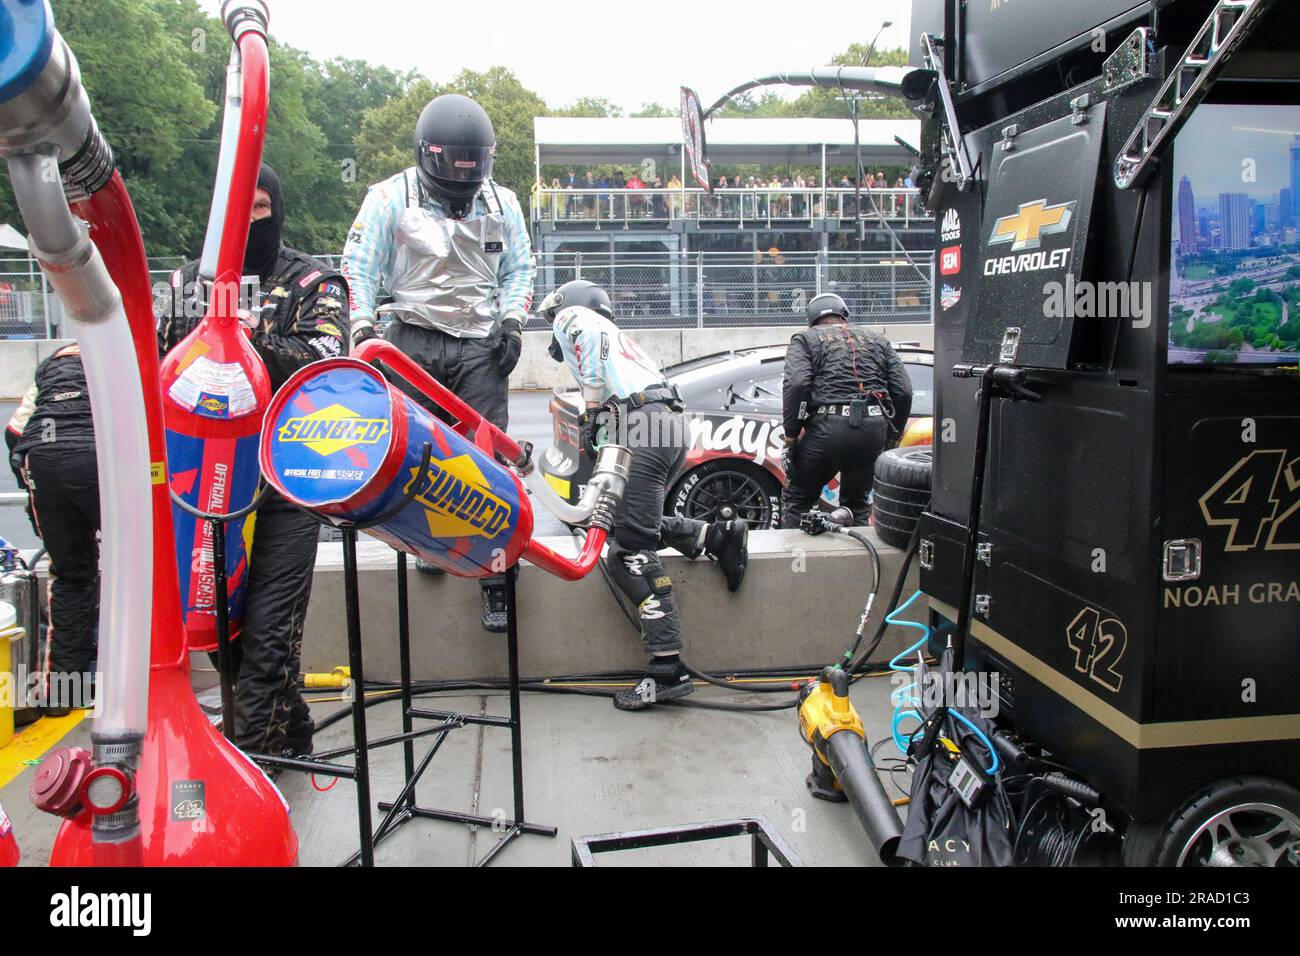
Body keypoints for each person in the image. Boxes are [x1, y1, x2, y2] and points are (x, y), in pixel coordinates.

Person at [157, 162, 350, 761]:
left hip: (288, 476)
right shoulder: (189, 282)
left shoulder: (315, 280)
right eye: (237, 213)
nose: (248, 222)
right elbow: (160, 366)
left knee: (269, 633)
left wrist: (239, 340)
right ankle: (293, 737)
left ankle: (248, 777)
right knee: (224, 635)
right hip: (206, 480)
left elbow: (324, 365)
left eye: (259, 210)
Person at [341, 92, 533, 631]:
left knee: (487, 460)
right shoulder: (387, 199)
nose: (460, 192)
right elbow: (359, 266)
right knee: (413, 452)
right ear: (428, 159)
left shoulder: (504, 203)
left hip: (480, 345)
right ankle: (426, 544)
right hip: (410, 340)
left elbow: (520, 268)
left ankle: (496, 581)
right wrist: (362, 327)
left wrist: (513, 323)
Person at [538, 280, 749, 711]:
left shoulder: (575, 316)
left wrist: (593, 405)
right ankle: (715, 537)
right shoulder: (624, 343)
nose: (554, 331)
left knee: (627, 552)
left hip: (639, 424)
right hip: (663, 422)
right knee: (625, 521)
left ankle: (667, 669)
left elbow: (586, 339)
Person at [6, 344, 97, 714]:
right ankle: (148, 685)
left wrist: (35, 502)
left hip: (42, 460)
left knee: (71, 576)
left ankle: (62, 695)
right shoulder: (134, 351)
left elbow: (14, 432)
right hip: (101, 457)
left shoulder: (52, 363)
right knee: (144, 573)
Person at [779, 293, 912, 529]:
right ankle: (860, 560)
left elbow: (797, 384)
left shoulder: (805, 339)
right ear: (844, 315)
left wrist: (791, 435)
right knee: (857, 506)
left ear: (811, 320)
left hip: (827, 429)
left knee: (798, 500)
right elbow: (903, 392)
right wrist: (893, 435)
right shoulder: (877, 340)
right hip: (873, 429)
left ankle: (791, 560)